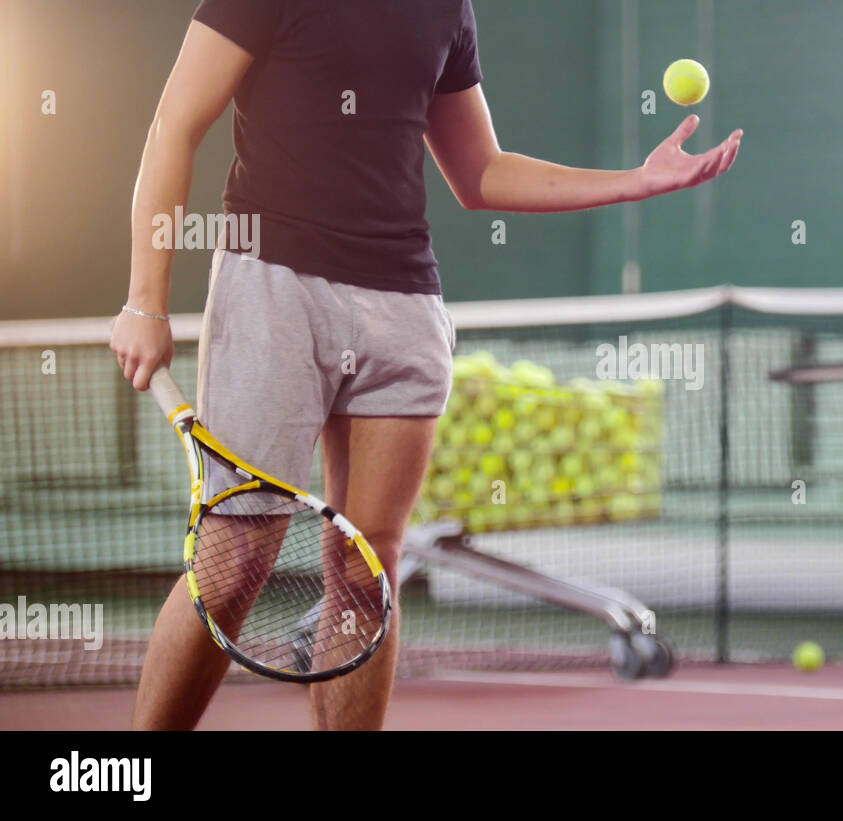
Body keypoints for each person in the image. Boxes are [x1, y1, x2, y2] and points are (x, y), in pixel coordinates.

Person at [110, 0, 742, 730]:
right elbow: (174, 125)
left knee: (367, 566)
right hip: (272, 285)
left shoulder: (447, 7)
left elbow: (481, 174)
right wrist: (144, 301)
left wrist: (638, 180)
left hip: (404, 302)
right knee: (236, 556)